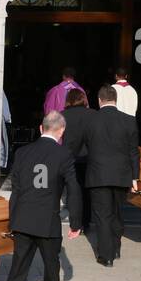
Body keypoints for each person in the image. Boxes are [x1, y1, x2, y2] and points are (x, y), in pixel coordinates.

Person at [0, 111, 83, 281]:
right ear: (61, 131)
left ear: (40, 128)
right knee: (51, 267)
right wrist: (76, 223)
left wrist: (12, 220)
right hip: (47, 221)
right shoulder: (64, 154)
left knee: (18, 268)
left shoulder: (23, 152)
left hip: (24, 219)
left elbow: (15, 188)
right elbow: (74, 190)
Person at [80, 85, 140, 266]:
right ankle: (116, 248)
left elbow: (85, 146)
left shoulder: (90, 120)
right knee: (117, 213)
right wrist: (135, 177)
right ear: (116, 100)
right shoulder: (129, 121)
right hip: (122, 174)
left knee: (102, 215)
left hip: (98, 174)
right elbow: (134, 152)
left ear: (99, 100)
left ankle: (106, 255)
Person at [61, 88, 95, 232]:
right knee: (87, 192)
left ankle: (76, 223)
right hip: (88, 157)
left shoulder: (63, 115)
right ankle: (86, 222)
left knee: (73, 191)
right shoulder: (93, 114)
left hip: (69, 157)